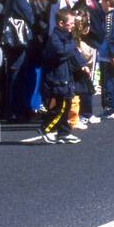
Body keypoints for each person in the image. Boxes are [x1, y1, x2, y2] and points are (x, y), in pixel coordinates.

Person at [39, 8, 84, 143]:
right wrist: (72, 45)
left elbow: (74, 53)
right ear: (61, 23)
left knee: (66, 103)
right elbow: (62, 53)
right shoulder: (55, 38)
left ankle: (63, 132)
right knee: (62, 106)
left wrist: (82, 65)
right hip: (56, 77)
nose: (73, 25)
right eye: (70, 23)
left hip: (65, 75)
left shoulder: (67, 37)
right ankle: (45, 128)